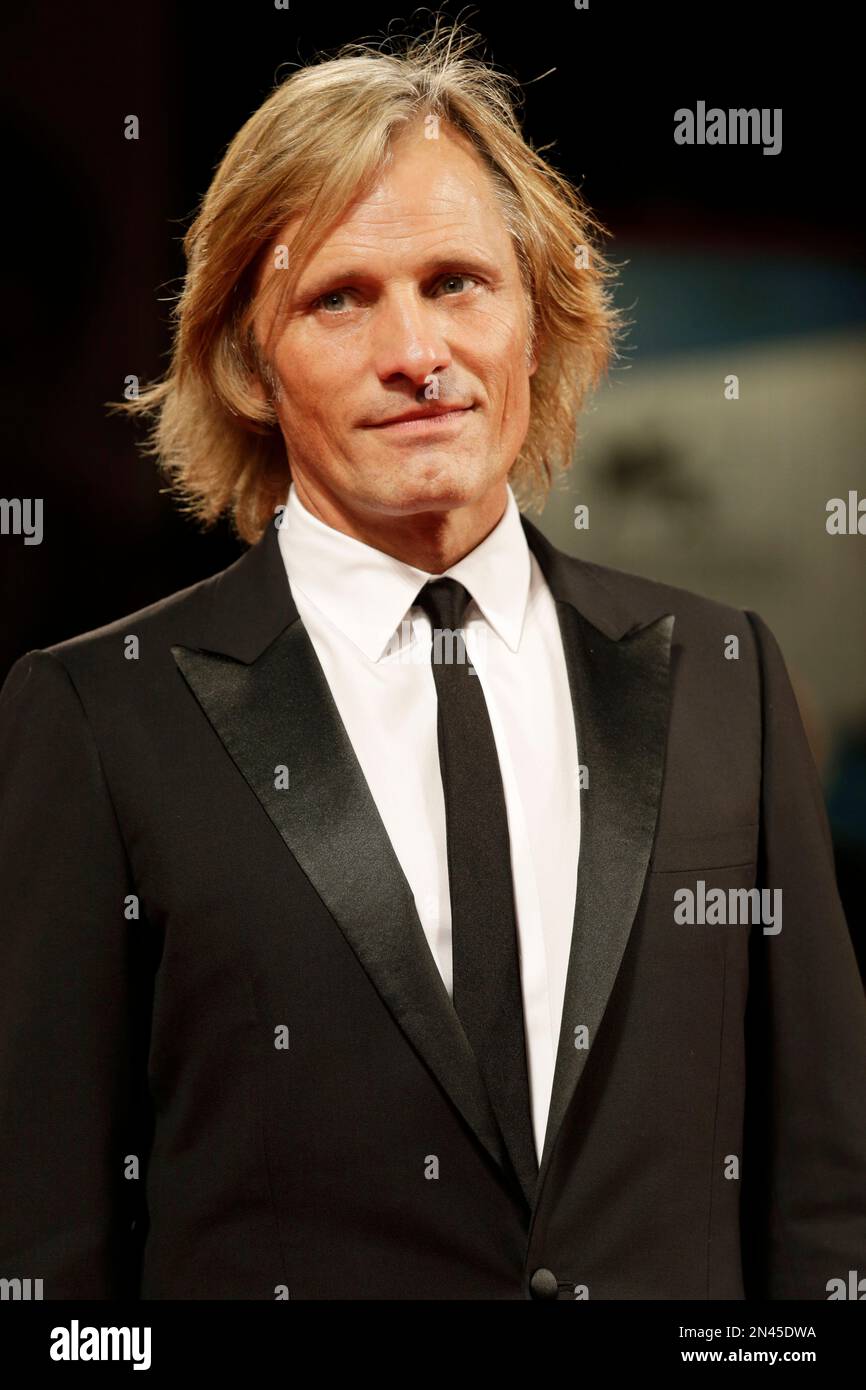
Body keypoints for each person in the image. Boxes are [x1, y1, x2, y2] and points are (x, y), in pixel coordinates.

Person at [1, 22, 864, 1301]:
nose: (416, 353)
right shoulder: (96, 712)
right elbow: (44, 1263)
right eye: (339, 297)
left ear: (536, 316)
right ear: (246, 359)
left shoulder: (717, 677)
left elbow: (825, 1203)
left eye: (457, 281)